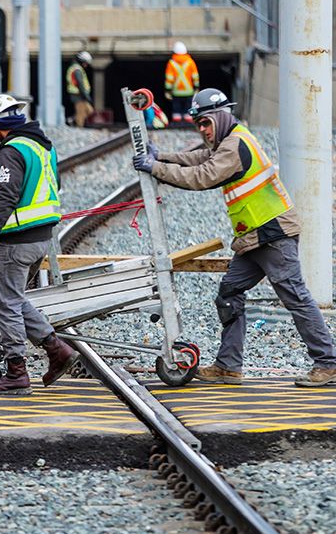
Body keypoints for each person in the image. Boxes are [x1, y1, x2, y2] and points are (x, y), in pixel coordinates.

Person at [132, 88, 336, 387]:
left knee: (295, 297)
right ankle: (228, 367)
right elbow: (201, 157)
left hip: (272, 232)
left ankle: (328, 363)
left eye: (206, 123)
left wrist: (157, 168)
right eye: (199, 124)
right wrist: (161, 156)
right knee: (229, 294)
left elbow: (202, 175)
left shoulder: (235, 144)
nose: (203, 130)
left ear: (221, 116)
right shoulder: (230, 140)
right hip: (254, 237)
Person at [0, 94, 80, 395]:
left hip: (16, 242)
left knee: (5, 305)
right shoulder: (43, 146)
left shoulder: (10, 151)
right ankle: (57, 349)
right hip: (41, 238)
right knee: (15, 298)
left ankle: (16, 373)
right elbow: (55, 186)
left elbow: (6, 196)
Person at [164, 41, 199, 123]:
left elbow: (169, 78)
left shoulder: (171, 63)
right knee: (188, 110)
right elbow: (195, 76)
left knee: (176, 111)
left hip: (176, 92)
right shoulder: (190, 62)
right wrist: (196, 87)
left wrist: (168, 90)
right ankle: (188, 125)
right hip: (189, 92)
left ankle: (177, 124)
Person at [65, 50, 93, 127]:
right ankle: (79, 127)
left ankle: (72, 119)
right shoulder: (77, 69)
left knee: (89, 110)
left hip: (80, 94)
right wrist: (86, 96)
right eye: (85, 63)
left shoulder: (77, 68)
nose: (86, 65)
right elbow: (80, 84)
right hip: (78, 94)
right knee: (81, 113)